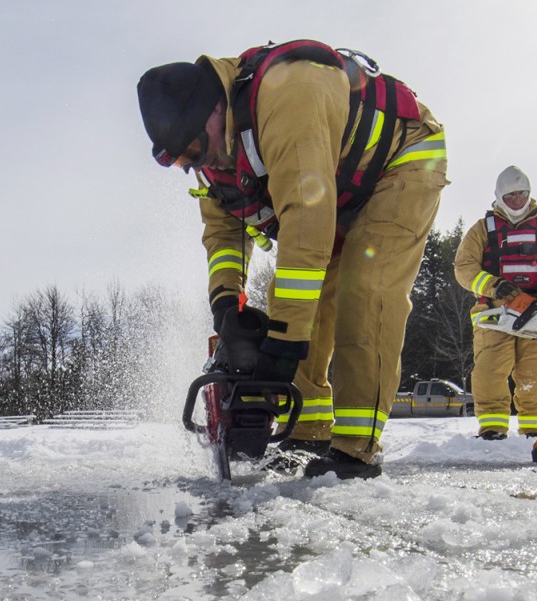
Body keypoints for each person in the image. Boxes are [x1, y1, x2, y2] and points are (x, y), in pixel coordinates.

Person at [137, 40, 448, 478]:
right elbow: (224, 235)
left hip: (400, 162)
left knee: (364, 289)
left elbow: (306, 220)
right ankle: (309, 429)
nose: (195, 164)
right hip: (338, 191)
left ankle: (356, 449)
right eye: (182, 161)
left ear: (212, 110)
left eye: (191, 149)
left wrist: (283, 343)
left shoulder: (288, 95)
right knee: (293, 300)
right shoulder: (214, 158)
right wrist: (226, 303)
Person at [454, 166, 537, 439]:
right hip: (494, 311)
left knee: (534, 370)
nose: (517, 201)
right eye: (511, 196)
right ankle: (492, 428)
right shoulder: (482, 230)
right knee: (489, 369)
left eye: (522, 194)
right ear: (499, 196)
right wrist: (494, 285)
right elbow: (463, 266)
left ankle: (535, 430)